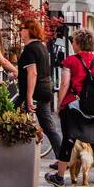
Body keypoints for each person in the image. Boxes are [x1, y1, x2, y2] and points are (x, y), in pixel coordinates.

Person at [49, 30, 94, 187]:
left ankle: (59, 177)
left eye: (74, 42)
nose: (72, 44)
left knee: (69, 140)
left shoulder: (70, 61)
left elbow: (64, 84)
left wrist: (59, 104)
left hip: (74, 106)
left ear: (78, 43)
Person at [17, 19, 59, 159]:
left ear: (30, 31)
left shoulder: (30, 49)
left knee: (13, 117)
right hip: (45, 89)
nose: (20, 31)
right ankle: (62, 157)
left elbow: (33, 73)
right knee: (47, 126)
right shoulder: (41, 47)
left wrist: (29, 96)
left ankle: (63, 157)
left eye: (22, 28)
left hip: (35, 93)